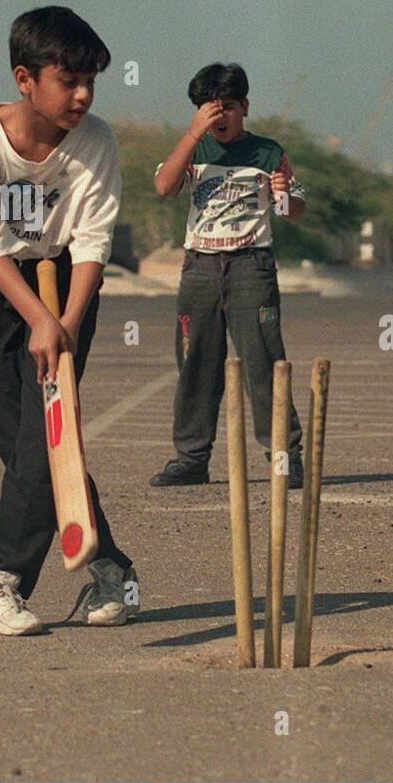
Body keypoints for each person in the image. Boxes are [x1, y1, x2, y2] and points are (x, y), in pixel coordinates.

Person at [0, 6, 136, 636]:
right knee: (26, 441)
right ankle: (111, 570)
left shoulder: (97, 142)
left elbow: (91, 241)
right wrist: (34, 316)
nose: (83, 96)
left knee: (42, 437)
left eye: (92, 82)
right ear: (24, 78)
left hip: (67, 286)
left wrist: (66, 323)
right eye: (69, 81)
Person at [149, 63, 307, 490]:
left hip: (250, 266)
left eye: (229, 108)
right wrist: (192, 134)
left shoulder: (269, 152)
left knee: (263, 357)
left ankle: (284, 456)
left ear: (245, 107)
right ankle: (191, 457)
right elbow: (164, 187)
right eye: (210, 110)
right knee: (195, 361)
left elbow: (292, 212)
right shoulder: (193, 150)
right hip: (200, 266)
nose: (221, 118)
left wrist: (284, 192)